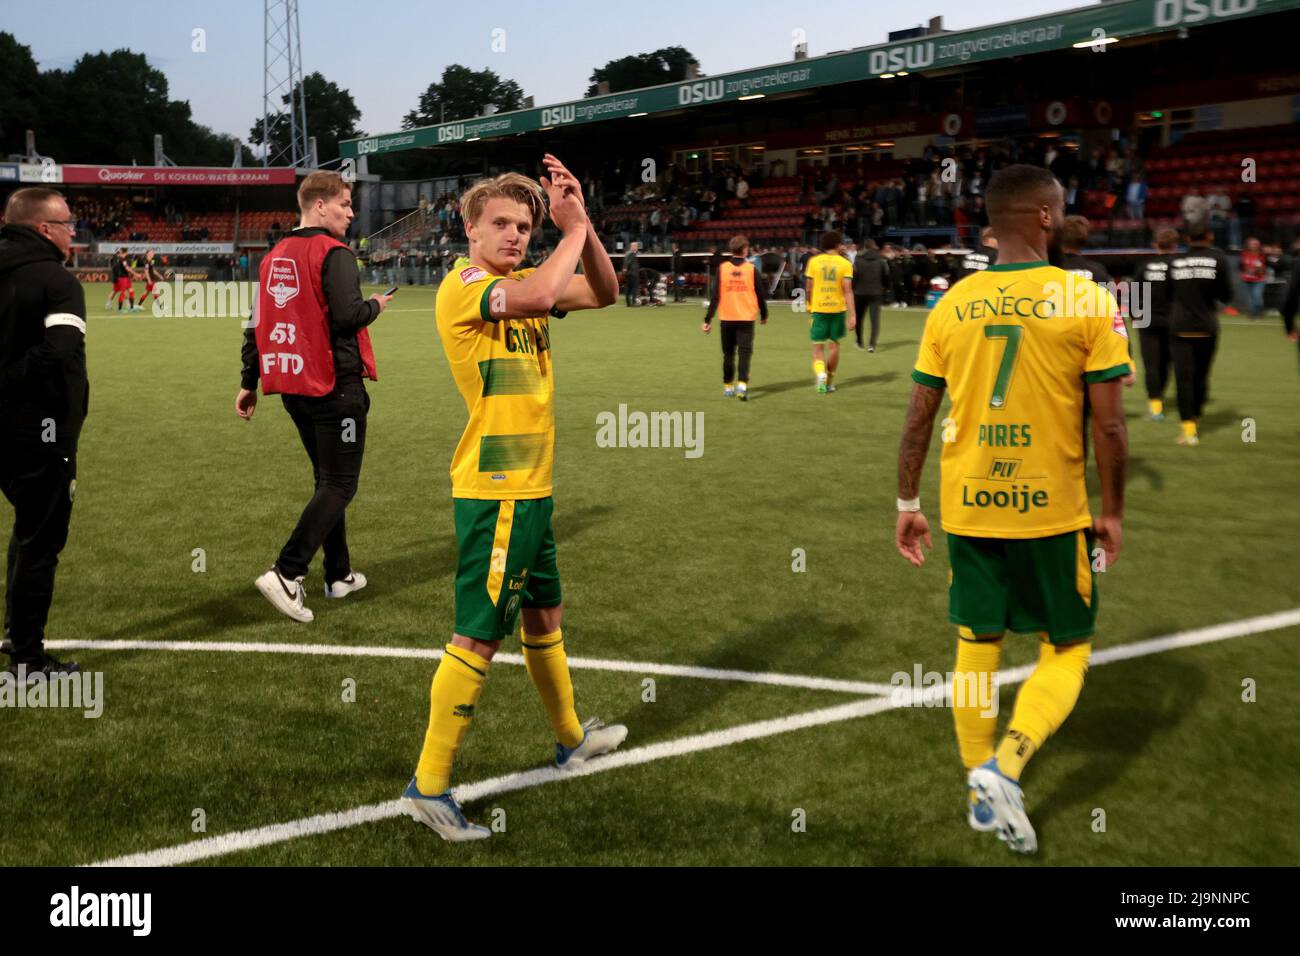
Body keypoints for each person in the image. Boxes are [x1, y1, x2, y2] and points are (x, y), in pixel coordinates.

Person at [895, 164, 1130, 855]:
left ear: (994, 223)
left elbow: (916, 419)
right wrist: (1112, 511)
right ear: (1048, 217)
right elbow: (1111, 428)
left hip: (968, 506)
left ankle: (980, 786)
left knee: (977, 643)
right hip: (1049, 511)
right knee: (1068, 647)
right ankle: (1007, 765)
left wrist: (908, 501)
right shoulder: (1087, 298)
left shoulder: (951, 304)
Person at [404, 155, 625, 841]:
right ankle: (429, 785)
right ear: (469, 230)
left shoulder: (531, 276)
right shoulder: (465, 285)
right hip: (496, 486)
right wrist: (569, 233)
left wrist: (581, 225)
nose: (514, 235)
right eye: (500, 223)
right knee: (479, 633)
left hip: (534, 485)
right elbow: (533, 298)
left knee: (544, 613)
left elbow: (606, 291)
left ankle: (569, 739)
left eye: (524, 226)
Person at [235, 171, 392, 622]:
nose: (351, 212)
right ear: (319, 205)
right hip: (335, 387)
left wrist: (249, 381)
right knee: (341, 483)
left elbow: (255, 325)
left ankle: (338, 575)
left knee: (327, 480)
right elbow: (347, 317)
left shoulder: (273, 257)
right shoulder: (334, 253)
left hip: (292, 387)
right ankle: (287, 572)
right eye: (344, 203)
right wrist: (377, 306)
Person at [0, 187, 88, 679]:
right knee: (38, 538)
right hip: (39, 432)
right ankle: (27, 659)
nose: (73, 232)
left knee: (25, 534)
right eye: (67, 223)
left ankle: (16, 636)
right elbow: (58, 351)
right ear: (43, 229)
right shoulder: (56, 280)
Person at [1168, 226, 1233, 446]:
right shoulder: (1219, 260)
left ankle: (1188, 429)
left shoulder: (1175, 261)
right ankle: (1196, 413)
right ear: (1210, 235)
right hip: (1207, 327)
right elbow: (1226, 295)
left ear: (1187, 238)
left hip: (1179, 327)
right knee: (1200, 376)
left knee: (1183, 378)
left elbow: (1167, 293)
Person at [702, 235, 768, 400]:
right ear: (745, 250)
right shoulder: (751, 269)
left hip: (727, 318)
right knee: (745, 353)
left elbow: (715, 296)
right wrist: (764, 314)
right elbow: (760, 295)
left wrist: (707, 320)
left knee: (728, 354)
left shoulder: (723, 268)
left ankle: (728, 386)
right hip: (746, 318)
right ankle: (742, 386)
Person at [1132, 229, 1178, 421]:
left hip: (1147, 319)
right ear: (1175, 245)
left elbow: (1134, 293)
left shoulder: (1145, 266)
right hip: (1172, 320)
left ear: (1155, 244)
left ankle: (1155, 406)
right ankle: (1159, 398)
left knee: (1151, 364)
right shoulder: (1178, 266)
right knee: (1166, 363)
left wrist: (1136, 316)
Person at [804, 230, 856, 393]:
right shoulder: (845, 264)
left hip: (819, 308)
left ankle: (820, 374)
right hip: (837, 310)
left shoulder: (814, 261)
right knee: (834, 347)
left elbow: (808, 288)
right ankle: (829, 381)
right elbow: (847, 290)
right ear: (837, 244)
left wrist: (809, 305)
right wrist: (853, 315)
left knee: (818, 348)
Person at [851, 238, 887, 352]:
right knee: (874, 320)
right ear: (874, 246)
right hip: (876, 292)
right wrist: (884, 287)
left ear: (864, 247)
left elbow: (854, 276)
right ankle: (872, 345)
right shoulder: (881, 259)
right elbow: (886, 275)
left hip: (860, 292)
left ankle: (859, 342)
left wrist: (853, 288)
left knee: (859, 318)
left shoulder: (858, 259)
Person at [1240, 238, 1266, 319]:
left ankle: (1259, 311)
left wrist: (1257, 270)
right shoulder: (1244, 254)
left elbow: (1263, 269)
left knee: (1257, 296)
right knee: (1250, 298)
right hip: (1247, 280)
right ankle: (1253, 314)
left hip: (1259, 280)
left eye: (1256, 244)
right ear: (1248, 245)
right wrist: (1243, 273)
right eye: (1252, 244)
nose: (1254, 246)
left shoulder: (1261, 255)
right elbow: (1241, 266)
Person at [623, 241, 639, 306]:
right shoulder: (631, 253)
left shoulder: (628, 253)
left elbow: (626, 262)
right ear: (632, 247)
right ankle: (633, 302)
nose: (637, 247)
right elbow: (627, 262)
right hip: (633, 273)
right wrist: (625, 268)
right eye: (636, 246)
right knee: (634, 288)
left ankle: (628, 303)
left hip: (629, 273)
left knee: (629, 288)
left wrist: (625, 269)